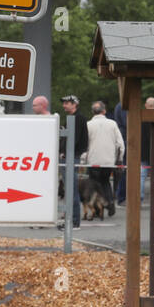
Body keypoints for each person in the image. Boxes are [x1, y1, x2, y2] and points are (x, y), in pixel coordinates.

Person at [86, 101, 124, 216]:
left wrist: (83, 159)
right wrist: (120, 158)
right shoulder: (112, 124)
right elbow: (120, 144)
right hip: (109, 161)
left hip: (93, 161)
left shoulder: (88, 124)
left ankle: (99, 208)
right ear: (104, 111)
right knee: (106, 182)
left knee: (94, 184)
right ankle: (110, 202)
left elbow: (85, 144)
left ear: (93, 112)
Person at [60, 95, 88, 228]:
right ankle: (71, 220)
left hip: (71, 156)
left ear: (74, 104)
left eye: (67, 103)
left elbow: (73, 139)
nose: (64, 105)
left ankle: (74, 221)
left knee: (71, 190)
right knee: (70, 189)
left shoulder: (77, 119)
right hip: (71, 156)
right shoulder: (73, 118)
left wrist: (64, 152)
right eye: (64, 103)